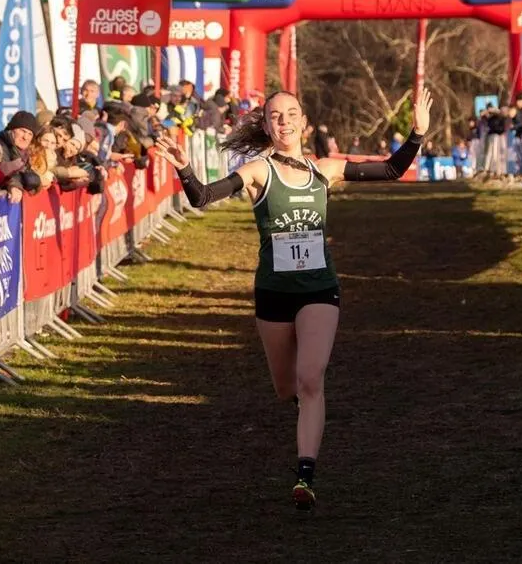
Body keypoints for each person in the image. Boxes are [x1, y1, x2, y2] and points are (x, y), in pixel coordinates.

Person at [153, 87, 433, 512]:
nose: (284, 121)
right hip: (273, 293)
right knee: (287, 390)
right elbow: (203, 196)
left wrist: (417, 133)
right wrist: (184, 168)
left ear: (304, 122)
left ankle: (305, 475)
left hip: (320, 288)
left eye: (291, 114)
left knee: (311, 378)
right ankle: (306, 410)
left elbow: (392, 170)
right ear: (266, 125)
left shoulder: (326, 169)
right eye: (275, 116)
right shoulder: (258, 172)